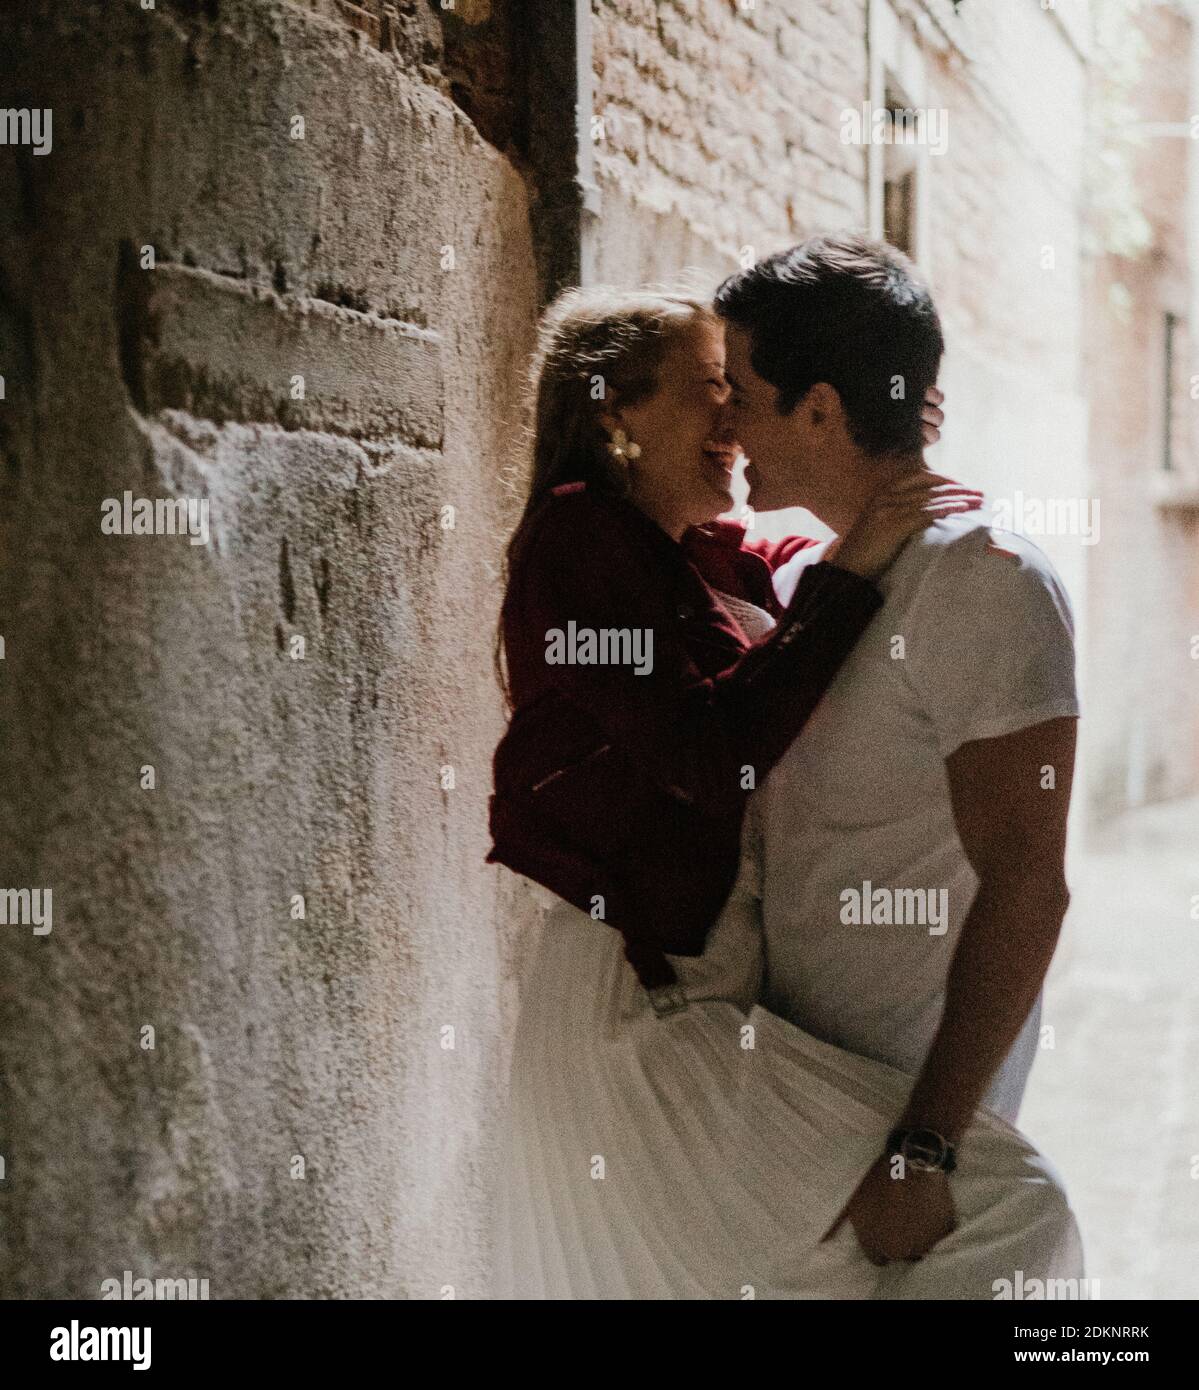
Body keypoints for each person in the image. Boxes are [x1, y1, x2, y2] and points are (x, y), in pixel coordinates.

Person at [486, 282, 1072, 1300]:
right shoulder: (581, 534)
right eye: (708, 390)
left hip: (699, 988)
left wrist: (879, 454)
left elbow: (800, 558)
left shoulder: (690, 550)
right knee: (1009, 1205)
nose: (728, 418)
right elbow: (713, 752)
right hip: (639, 998)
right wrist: (855, 550)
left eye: (739, 392)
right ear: (612, 412)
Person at [711, 231, 1084, 1286]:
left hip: (908, 1143)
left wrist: (926, 1144)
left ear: (820, 409)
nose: (723, 421)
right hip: (798, 1125)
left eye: (740, 391)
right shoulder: (813, 581)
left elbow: (1027, 883)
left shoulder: (985, 578)